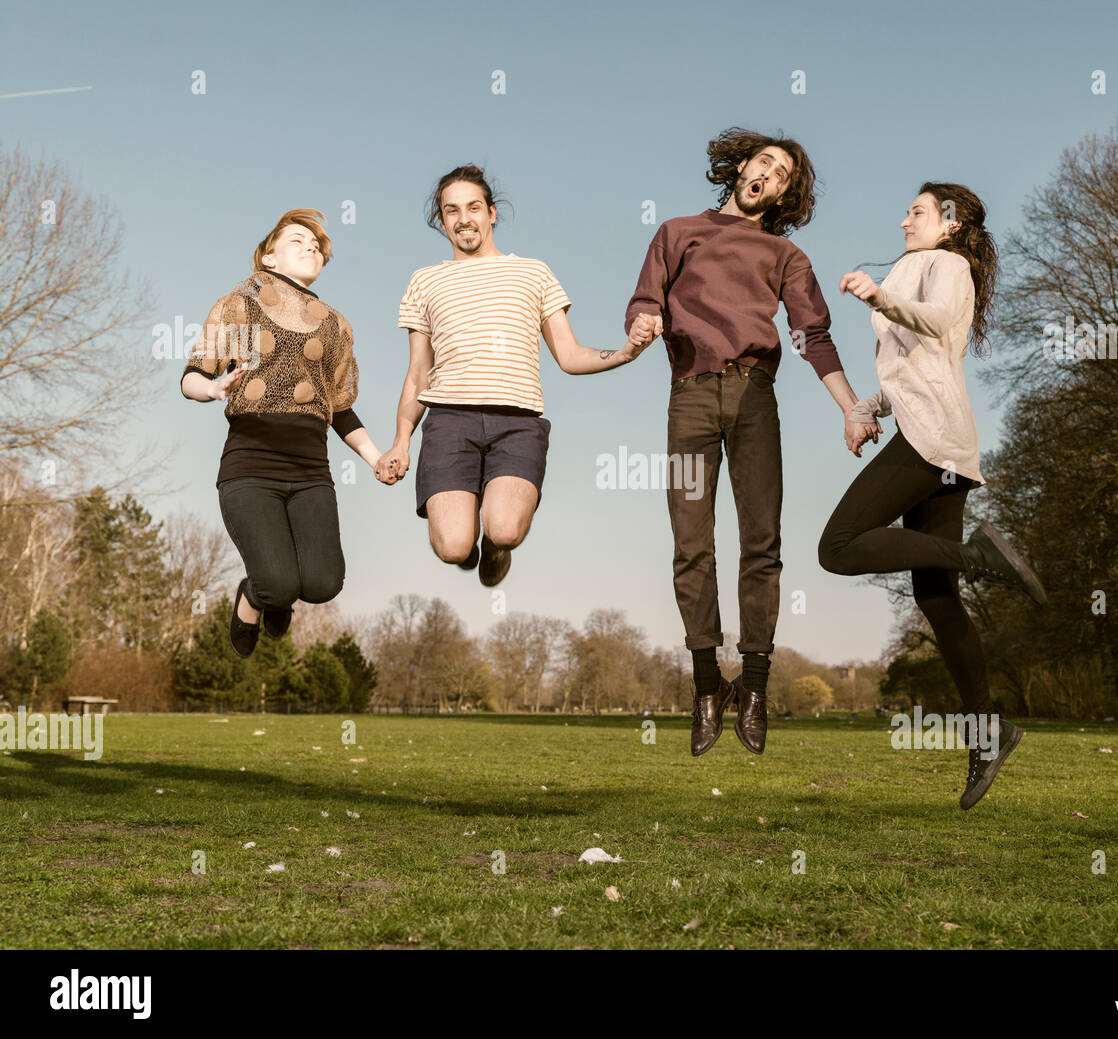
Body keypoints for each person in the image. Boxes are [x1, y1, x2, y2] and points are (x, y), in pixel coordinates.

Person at [624, 128, 870, 757]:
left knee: (762, 541)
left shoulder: (787, 256)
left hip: (756, 397)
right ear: (739, 167)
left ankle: (755, 687)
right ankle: (707, 685)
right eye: (765, 162)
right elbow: (645, 299)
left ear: (786, 195)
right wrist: (644, 323)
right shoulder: (678, 232)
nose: (771, 174)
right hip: (691, 398)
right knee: (690, 541)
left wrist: (850, 408)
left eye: (784, 173)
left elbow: (814, 335)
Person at [819, 182, 1046, 809]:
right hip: (936, 433)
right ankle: (989, 732)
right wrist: (866, 407)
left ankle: (983, 557)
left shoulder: (950, 266)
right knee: (936, 597)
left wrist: (880, 294)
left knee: (837, 546)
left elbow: (940, 322)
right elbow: (915, 368)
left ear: (949, 224)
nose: (903, 220)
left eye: (915, 212)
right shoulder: (917, 268)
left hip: (931, 439)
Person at [378, 166, 655, 586]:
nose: (463, 218)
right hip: (449, 422)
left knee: (505, 528)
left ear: (491, 213)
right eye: (451, 211)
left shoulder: (533, 273)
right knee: (452, 546)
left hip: (517, 423)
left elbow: (569, 354)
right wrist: (401, 440)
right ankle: (469, 542)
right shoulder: (424, 281)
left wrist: (624, 353)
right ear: (441, 220)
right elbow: (419, 372)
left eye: (473, 207)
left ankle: (495, 546)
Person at [181, 209, 386, 657]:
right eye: (297, 240)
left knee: (322, 584)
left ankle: (271, 592)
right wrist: (213, 388)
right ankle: (256, 596)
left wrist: (377, 459)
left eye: (316, 245)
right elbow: (191, 377)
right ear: (269, 258)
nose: (310, 246)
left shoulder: (335, 325)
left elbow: (341, 408)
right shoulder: (240, 303)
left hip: (312, 471)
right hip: (250, 467)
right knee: (276, 584)